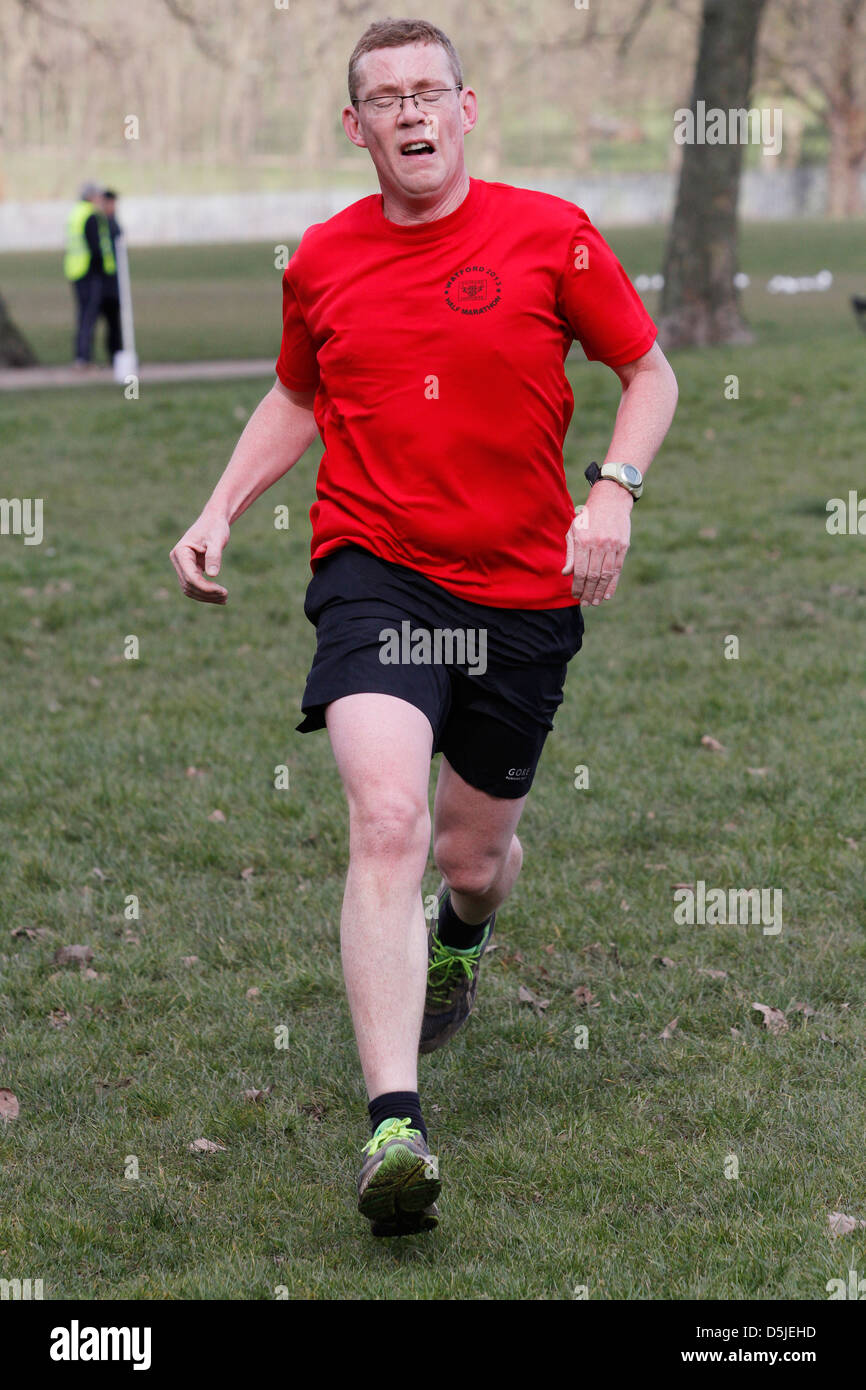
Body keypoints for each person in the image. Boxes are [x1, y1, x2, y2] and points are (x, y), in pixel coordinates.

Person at [170, 17, 678, 1238]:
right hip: (377, 574)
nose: (407, 112)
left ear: (463, 108)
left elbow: (648, 370)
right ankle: (394, 1122)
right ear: (355, 127)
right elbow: (300, 394)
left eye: (424, 91)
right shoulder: (323, 262)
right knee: (386, 818)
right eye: (381, 97)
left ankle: (461, 935)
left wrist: (610, 487)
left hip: (519, 594)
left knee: (467, 856)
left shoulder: (548, 233)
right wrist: (220, 506)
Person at [63, 181, 116, 367]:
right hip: (89, 272)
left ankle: (82, 356)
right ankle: (84, 358)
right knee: (88, 316)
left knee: (84, 315)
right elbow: (95, 247)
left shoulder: (76, 213)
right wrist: (103, 269)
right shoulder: (90, 215)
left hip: (76, 270)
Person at [98, 189, 123, 361]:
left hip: (113, 281)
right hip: (100, 281)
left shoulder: (114, 223)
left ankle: (116, 355)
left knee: (115, 322)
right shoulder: (100, 224)